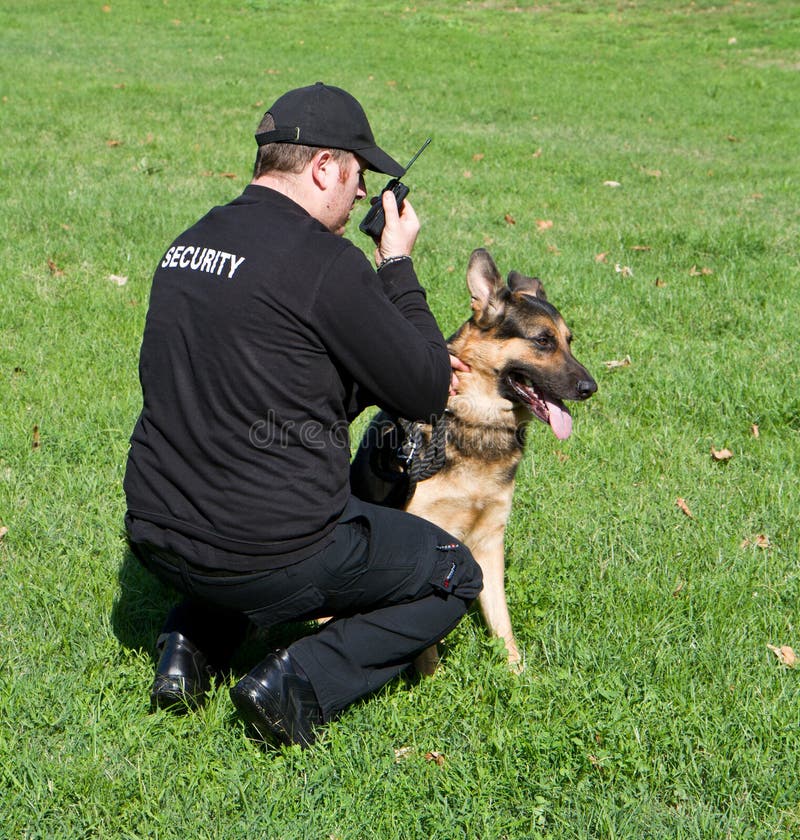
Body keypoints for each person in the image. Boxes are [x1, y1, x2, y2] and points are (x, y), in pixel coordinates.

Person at [123, 82, 482, 748]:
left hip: (155, 531)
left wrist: (373, 373)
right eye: (359, 176)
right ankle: (293, 685)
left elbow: (273, 383)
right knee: (452, 572)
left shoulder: (190, 242)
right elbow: (427, 386)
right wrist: (397, 263)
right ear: (323, 167)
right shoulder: (324, 262)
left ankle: (189, 646)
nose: (363, 195)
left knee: (242, 522)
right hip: (265, 551)